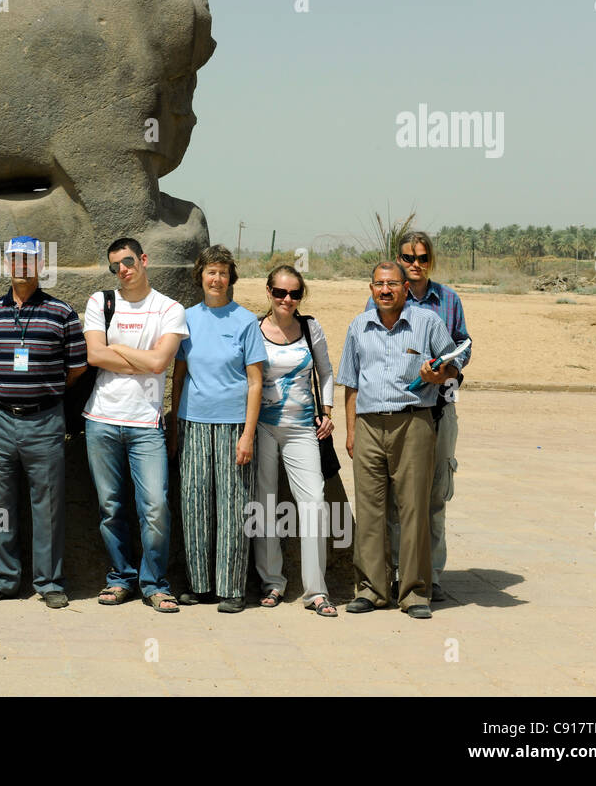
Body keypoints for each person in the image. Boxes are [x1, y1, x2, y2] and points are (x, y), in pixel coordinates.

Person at [338, 261, 459, 619]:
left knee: (413, 509)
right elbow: (350, 382)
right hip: (369, 426)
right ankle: (372, 589)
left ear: (406, 288)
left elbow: (452, 367)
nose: (385, 290)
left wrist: (438, 374)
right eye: (379, 284)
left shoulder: (427, 323)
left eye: (393, 284)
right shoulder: (358, 327)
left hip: (414, 424)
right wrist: (351, 432)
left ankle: (414, 592)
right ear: (371, 288)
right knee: (370, 510)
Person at [0, 236, 87, 609]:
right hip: (0, 421)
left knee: (48, 504)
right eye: (16, 259)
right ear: (7, 264)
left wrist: (41, 389)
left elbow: (76, 369)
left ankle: (49, 581)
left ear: (40, 264)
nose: (22, 265)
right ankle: (3, 577)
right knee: (1, 504)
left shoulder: (62, 313)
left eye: (30, 259)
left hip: (44, 422)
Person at [365, 231, 471, 603]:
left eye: (422, 258)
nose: (414, 265)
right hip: (395, 415)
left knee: (434, 496)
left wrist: (443, 372)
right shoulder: (381, 295)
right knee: (397, 498)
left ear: (431, 261)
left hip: (440, 408)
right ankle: (397, 574)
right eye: (407, 257)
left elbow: (462, 350)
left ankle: (432, 575)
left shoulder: (449, 300)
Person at [84, 237, 189, 613]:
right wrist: (141, 359)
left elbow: (161, 363)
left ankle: (155, 583)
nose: (122, 270)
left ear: (143, 260)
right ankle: (119, 578)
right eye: (115, 266)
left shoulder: (169, 309)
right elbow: (94, 354)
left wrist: (122, 351)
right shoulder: (101, 302)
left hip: (147, 424)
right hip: (101, 420)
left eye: (127, 262)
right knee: (111, 506)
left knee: (155, 506)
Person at [168, 245, 265, 614]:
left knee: (233, 506)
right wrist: (174, 426)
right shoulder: (186, 319)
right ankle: (200, 585)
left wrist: (248, 434)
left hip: (233, 425)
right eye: (211, 272)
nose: (217, 279)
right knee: (193, 503)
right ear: (200, 276)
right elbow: (178, 377)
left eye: (223, 272)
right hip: (193, 423)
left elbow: (255, 382)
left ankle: (232, 588)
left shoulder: (245, 322)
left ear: (231, 278)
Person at [252, 265, 337, 617]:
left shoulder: (310, 328)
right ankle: (272, 581)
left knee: (314, 503)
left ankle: (316, 591)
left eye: (295, 294)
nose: (287, 300)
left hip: (303, 428)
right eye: (280, 292)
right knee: (264, 503)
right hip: (263, 428)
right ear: (269, 292)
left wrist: (327, 411)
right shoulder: (254, 329)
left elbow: (327, 372)